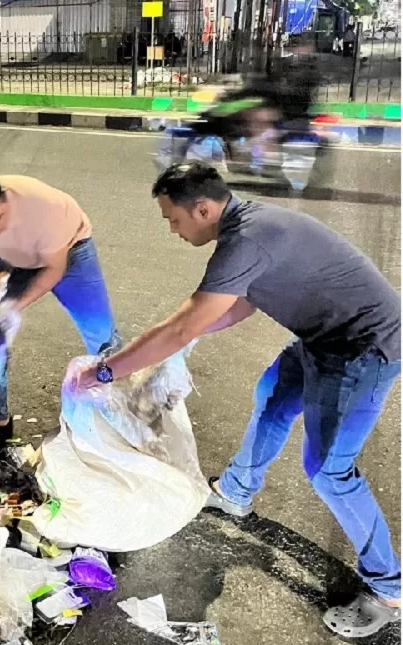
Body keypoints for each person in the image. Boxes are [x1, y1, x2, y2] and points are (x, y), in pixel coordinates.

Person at [73, 162, 401, 639]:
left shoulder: (246, 239)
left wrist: (105, 371)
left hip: (362, 349)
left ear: (203, 208)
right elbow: (238, 303)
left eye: (173, 219)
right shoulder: (246, 228)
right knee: (272, 398)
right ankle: (236, 491)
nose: (172, 229)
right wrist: (181, 344)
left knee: (331, 469)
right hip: (322, 337)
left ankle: (389, 585)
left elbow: (186, 321)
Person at [0, 171, 120, 437]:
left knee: (101, 334)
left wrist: (12, 308)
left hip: (70, 249)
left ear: (6, 201)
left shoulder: (42, 207)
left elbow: (53, 270)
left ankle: (120, 410)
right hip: (8, 254)